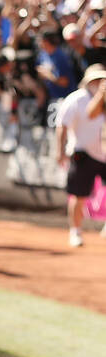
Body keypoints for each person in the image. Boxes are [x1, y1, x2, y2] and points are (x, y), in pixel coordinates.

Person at [54, 63, 106, 248]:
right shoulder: (76, 99)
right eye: (97, 79)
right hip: (83, 153)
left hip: (104, 154)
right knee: (79, 195)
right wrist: (59, 150)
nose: (100, 83)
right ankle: (75, 231)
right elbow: (63, 125)